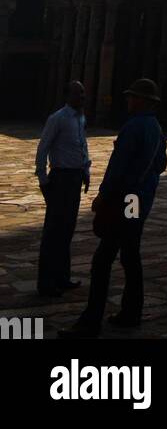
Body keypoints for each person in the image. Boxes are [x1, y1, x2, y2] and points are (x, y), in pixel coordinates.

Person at [58, 78, 167, 339]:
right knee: (130, 255)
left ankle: (91, 321)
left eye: (131, 97)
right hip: (140, 200)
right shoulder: (156, 128)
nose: (128, 100)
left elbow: (117, 168)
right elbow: (161, 165)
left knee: (102, 258)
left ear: (142, 101)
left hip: (124, 198)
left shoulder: (134, 127)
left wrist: (103, 196)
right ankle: (131, 312)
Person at [35, 80, 91, 296]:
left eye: (84, 93)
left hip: (75, 178)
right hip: (60, 178)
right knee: (53, 232)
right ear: (68, 96)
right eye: (79, 94)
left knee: (67, 229)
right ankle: (46, 282)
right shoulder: (57, 119)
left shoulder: (80, 118)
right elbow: (43, 148)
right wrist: (43, 179)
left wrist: (85, 171)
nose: (83, 97)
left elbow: (82, 145)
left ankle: (62, 277)